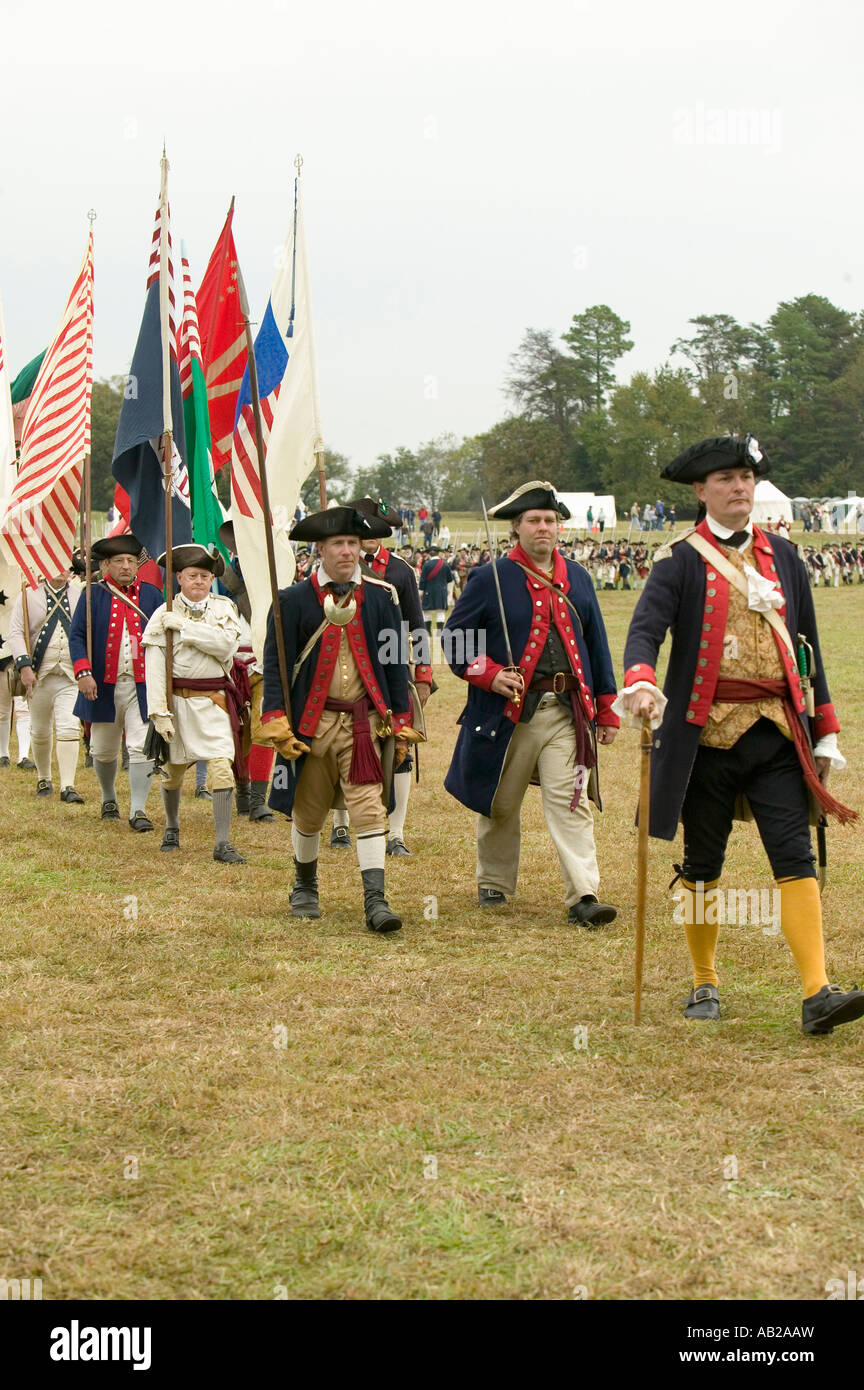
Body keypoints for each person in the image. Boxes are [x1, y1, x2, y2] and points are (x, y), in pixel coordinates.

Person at [616, 434, 862, 1035]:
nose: (739, 488)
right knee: (703, 864)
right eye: (725, 479)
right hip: (704, 738)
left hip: (778, 735)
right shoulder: (678, 560)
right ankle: (704, 981)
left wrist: (823, 731)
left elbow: (808, 653)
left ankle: (817, 993)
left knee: (794, 856)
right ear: (701, 491)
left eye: (746, 478)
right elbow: (645, 632)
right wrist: (642, 682)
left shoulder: (787, 557)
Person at [443, 480, 620, 924]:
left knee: (573, 801)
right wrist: (490, 673)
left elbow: (596, 643)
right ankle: (495, 882)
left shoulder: (577, 576)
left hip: (567, 712)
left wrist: (606, 706)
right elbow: (455, 639)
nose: (544, 528)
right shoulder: (490, 579)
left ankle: (583, 895)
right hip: (510, 713)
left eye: (550, 521)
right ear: (516, 528)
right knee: (501, 802)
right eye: (534, 521)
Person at [260, 506, 423, 932]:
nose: (348, 551)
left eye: (353, 543)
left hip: (364, 723)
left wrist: (400, 718)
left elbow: (393, 664)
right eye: (338, 544)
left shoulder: (383, 597)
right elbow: (276, 666)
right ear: (321, 549)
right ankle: (305, 886)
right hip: (313, 725)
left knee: (369, 808)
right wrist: (276, 718)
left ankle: (376, 900)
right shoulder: (291, 600)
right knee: (309, 810)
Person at [143, 544, 246, 864]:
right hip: (176, 704)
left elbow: (225, 645)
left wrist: (186, 628)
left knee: (221, 768)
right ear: (179, 577)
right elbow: (155, 667)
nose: (199, 582)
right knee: (172, 773)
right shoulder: (162, 613)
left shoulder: (223, 608)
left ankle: (223, 842)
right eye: (192, 576)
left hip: (213, 702)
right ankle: (171, 829)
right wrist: (159, 713)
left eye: (204, 576)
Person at [349, 496, 433, 856]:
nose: (370, 536)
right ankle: (340, 825)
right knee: (345, 745)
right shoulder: (341, 564)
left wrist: (424, 672)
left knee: (399, 750)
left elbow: (417, 624)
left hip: (394, 668)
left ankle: (395, 833)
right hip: (349, 667)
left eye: (377, 530)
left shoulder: (400, 570)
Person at [69, 535, 162, 830]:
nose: (126, 566)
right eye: (119, 561)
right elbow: (77, 637)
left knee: (139, 746)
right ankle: (109, 797)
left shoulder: (152, 595)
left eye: (131, 561)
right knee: (103, 749)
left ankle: (138, 810)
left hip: (142, 685)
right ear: (106, 564)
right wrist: (83, 673)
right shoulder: (91, 594)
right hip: (102, 685)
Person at [8, 563, 84, 802]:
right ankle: (44, 778)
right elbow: (16, 632)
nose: (64, 571)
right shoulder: (27, 594)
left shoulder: (79, 594)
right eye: (59, 566)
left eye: (68, 568)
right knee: (40, 730)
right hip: (39, 675)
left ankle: (68, 786)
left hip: (71, 674)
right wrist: (24, 665)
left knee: (69, 726)